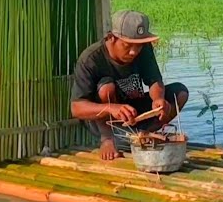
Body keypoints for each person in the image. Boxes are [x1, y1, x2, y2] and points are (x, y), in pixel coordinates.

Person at [70, 10, 189, 160]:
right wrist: (112, 108)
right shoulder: (91, 59)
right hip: (104, 120)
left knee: (180, 93)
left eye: (138, 46)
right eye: (128, 45)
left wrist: (158, 100)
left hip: (134, 113)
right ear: (112, 38)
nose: (134, 52)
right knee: (106, 87)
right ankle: (108, 140)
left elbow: (154, 81)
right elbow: (76, 108)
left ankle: (144, 134)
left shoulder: (144, 49)